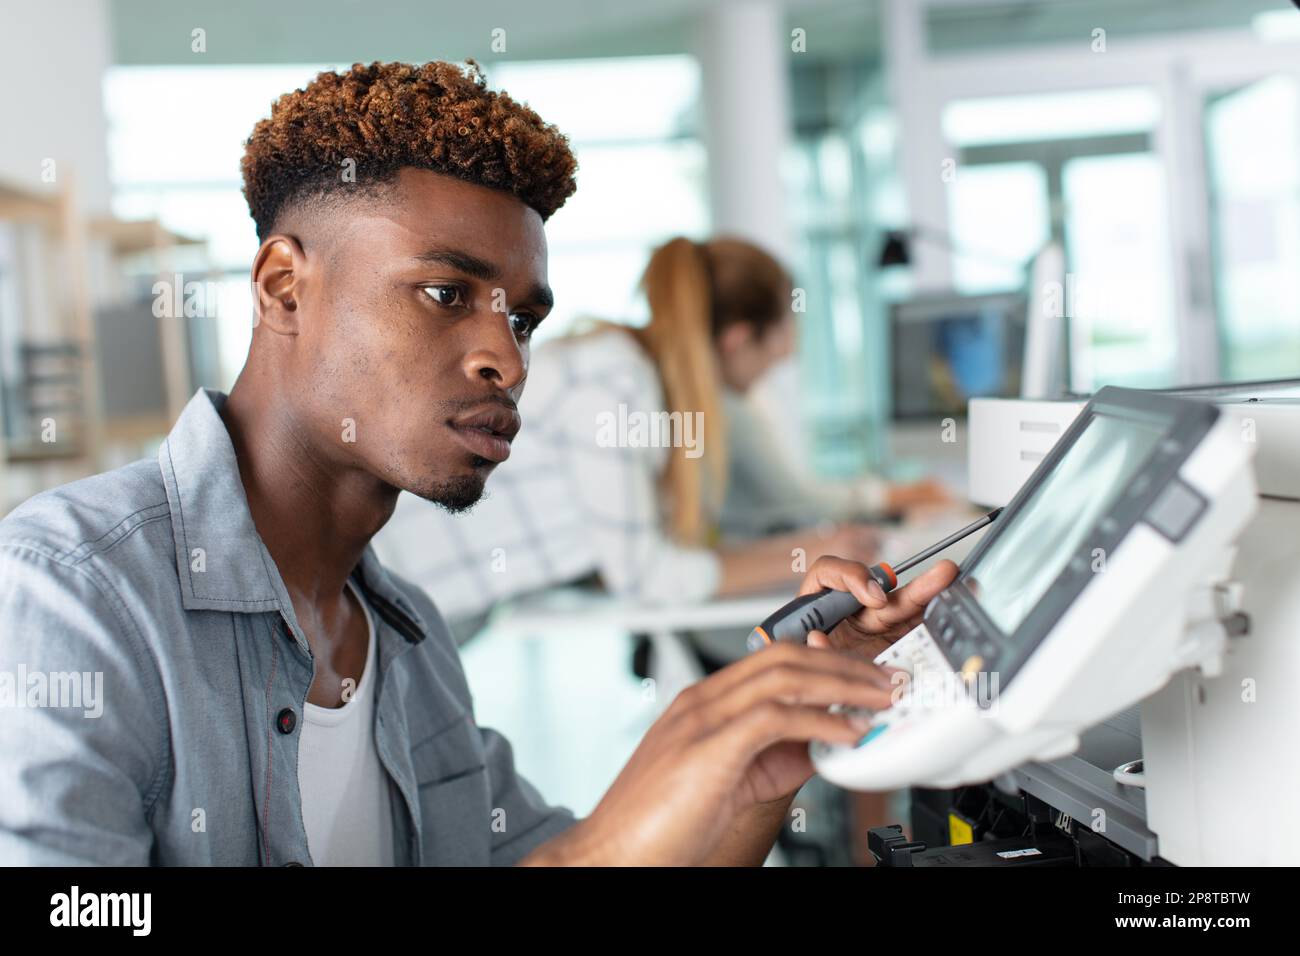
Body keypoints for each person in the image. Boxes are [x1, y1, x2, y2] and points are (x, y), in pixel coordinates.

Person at [0, 60, 957, 866]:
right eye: (445, 291)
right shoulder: (70, 592)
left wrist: (759, 759)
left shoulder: (407, 640)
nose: (507, 356)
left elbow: (544, 862)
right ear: (285, 288)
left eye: (523, 318)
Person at [374, 236, 888, 633]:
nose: (781, 362)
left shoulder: (639, 379)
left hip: (429, 601)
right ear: (736, 340)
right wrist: (815, 553)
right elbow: (646, 576)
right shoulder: (615, 384)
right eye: (778, 345)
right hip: (389, 594)